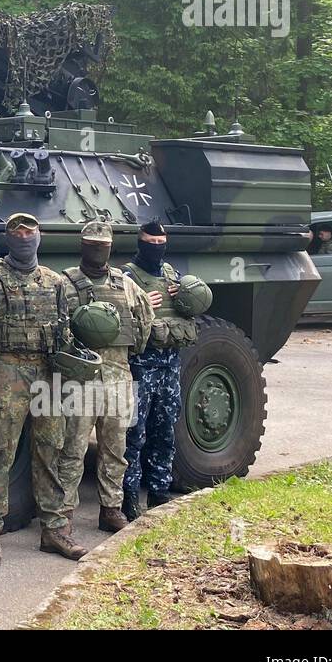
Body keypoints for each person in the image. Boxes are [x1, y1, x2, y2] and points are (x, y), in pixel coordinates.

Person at [0, 212, 82, 565]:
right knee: (1, 451)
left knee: (50, 449)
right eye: (18, 231)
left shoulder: (55, 282)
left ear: (40, 237)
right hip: (11, 371)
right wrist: (1, 365)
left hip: (47, 372)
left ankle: (54, 531)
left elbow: (65, 330)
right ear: (9, 238)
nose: (25, 237)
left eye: (31, 231)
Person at [57, 220, 154, 534]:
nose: (97, 250)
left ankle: (110, 508)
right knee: (72, 447)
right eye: (91, 244)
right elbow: (54, 326)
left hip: (117, 377)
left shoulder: (125, 284)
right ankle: (64, 511)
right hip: (80, 378)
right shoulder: (66, 283)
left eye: (102, 245)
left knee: (115, 447)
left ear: (110, 248)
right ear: (82, 246)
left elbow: (144, 317)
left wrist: (132, 349)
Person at [121, 221, 196, 520]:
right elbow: (113, 317)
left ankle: (159, 491)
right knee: (134, 433)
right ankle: (129, 496)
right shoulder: (127, 276)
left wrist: (187, 295)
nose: (156, 246)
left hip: (169, 363)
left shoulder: (171, 274)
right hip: (140, 364)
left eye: (161, 241)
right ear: (140, 243)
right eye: (151, 241)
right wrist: (140, 305)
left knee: (164, 429)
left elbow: (190, 308)